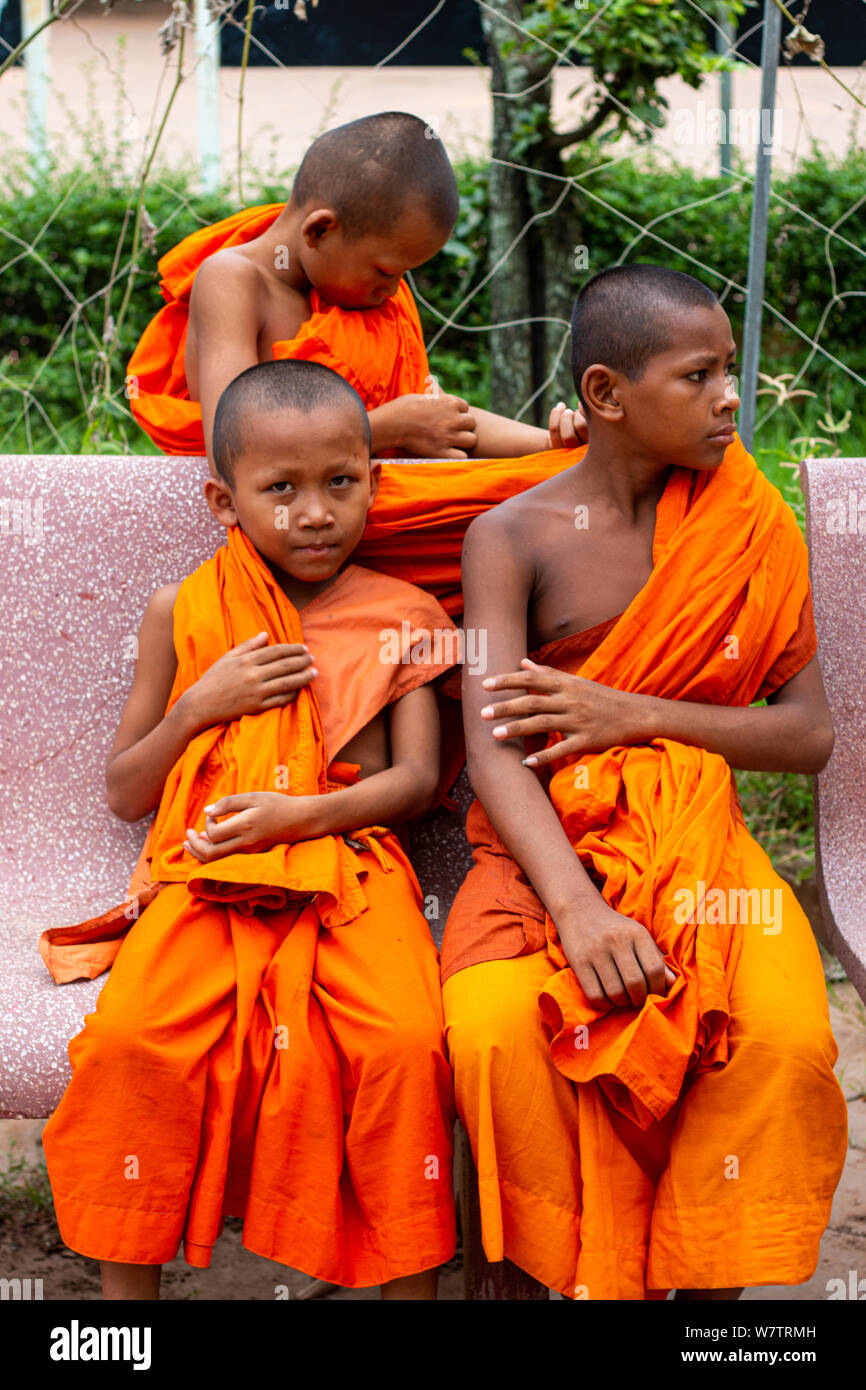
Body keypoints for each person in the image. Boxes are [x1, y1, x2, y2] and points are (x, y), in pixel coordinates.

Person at [441, 264, 847, 1301]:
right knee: (496, 1033)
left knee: (784, 1039)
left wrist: (636, 716)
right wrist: (575, 911)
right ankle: (548, 1274)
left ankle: (708, 1290)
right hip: (543, 855)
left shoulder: (744, 523)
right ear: (605, 394)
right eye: (698, 374)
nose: (730, 398)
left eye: (728, 373)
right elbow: (493, 747)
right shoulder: (513, 536)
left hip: (699, 850)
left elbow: (804, 735)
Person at [41, 359, 459, 1300]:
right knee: (132, 1046)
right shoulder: (184, 612)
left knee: (400, 1047)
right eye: (281, 490)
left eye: (340, 484)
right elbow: (124, 791)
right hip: (207, 875)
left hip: (350, 870)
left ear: (373, 482)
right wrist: (197, 706)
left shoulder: (409, 616)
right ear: (225, 501)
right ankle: (121, 1320)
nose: (315, 513)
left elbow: (420, 782)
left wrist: (299, 816)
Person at [127, 111, 582, 466]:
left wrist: (551, 444)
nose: (394, 290)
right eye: (385, 271)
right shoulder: (234, 281)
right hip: (283, 536)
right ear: (320, 230)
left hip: (368, 513)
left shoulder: (355, 292)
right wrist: (383, 430)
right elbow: (232, 444)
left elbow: (438, 419)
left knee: (554, 488)